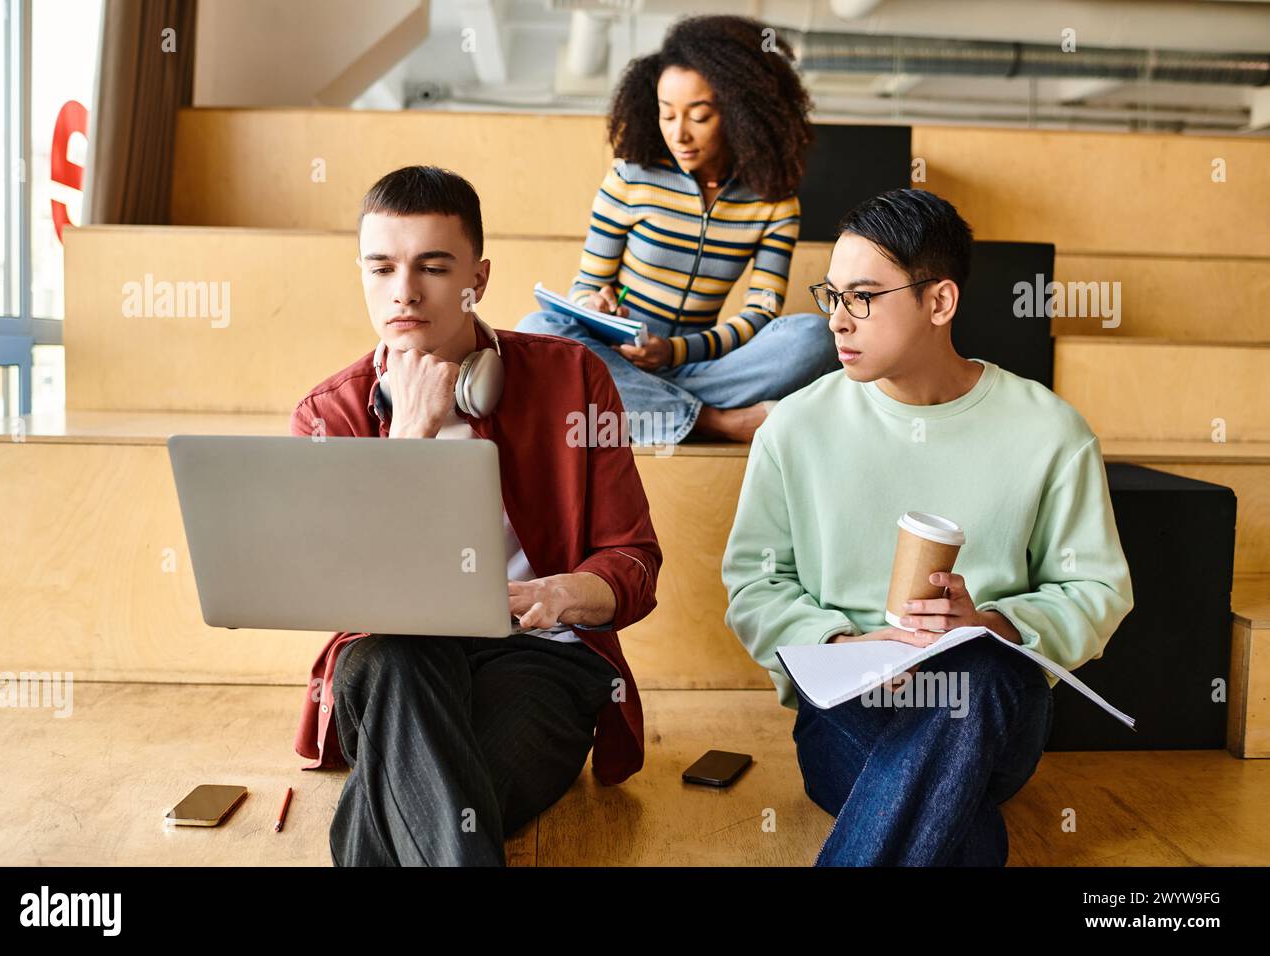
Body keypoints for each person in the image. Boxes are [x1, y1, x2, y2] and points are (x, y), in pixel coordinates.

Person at [721, 187, 1134, 866]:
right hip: (849, 708)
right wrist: (848, 642)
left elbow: (1096, 588)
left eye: (864, 297)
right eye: (833, 296)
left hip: (995, 714)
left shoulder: (1050, 431)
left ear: (939, 302)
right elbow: (755, 589)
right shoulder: (794, 427)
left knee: (977, 667)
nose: (838, 322)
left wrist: (994, 624)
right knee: (965, 841)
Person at [288, 165, 662, 866]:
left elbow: (634, 560)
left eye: (432, 266)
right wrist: (410, 435)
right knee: (392, 659)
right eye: (381, 268)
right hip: (395, 656)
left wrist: (561, 593)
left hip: (540, 660)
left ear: (478, 279)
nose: (403, 291)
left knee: (423, 799)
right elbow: (342, 588)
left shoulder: (573, 379)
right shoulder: (328, 414)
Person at [516, 14, 838, 445]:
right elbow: (586, 285)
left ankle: (641, 408)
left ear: (740, 113)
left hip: (705, 362)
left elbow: (760, 313)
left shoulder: (774, 202)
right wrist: (594, 305)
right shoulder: (630, 178)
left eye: (700, 116)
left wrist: (673, 352)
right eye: (667, 115)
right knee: (539, 329)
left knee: (815, 337)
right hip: (618, 357)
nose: (679, 134)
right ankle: (715, 421)